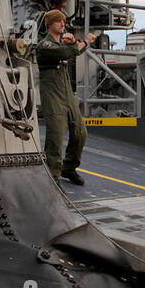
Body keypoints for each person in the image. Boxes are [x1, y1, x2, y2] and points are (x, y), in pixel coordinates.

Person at [35, 9, 96, 185]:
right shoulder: (45, 46)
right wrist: (83, 42)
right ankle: (52, 177)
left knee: (80, 133)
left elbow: (70, 51)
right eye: (58, 21)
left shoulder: (61, 44)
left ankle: (68, 168)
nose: (62, 24)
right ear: (49, 25)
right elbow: (65, 53)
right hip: (52, 95)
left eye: (63, 21)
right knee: (56, 137)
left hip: (66, 93)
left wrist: (74, 43)